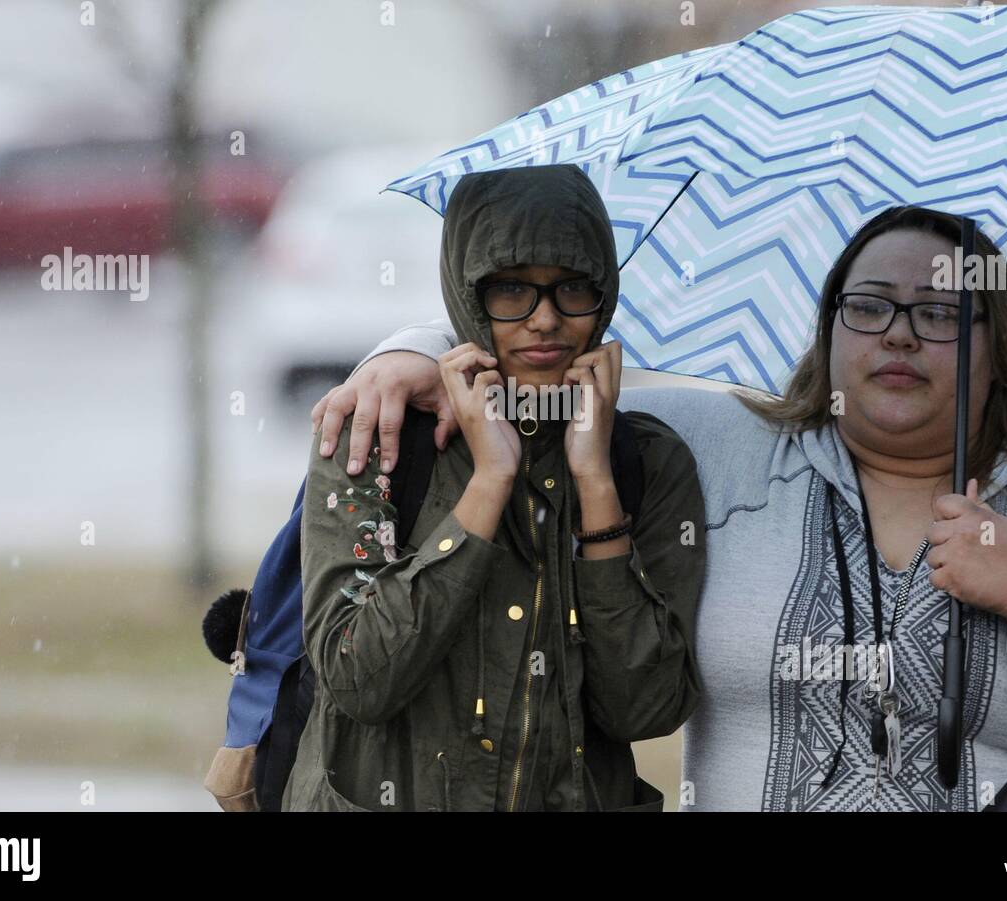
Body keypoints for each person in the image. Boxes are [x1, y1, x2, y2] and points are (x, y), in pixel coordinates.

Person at [311, 205, 1007, 811]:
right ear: (827, 329)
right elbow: (545, 380)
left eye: (942, 313)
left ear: (1002, 343)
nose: (898, 333)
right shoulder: (720, 450)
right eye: (870, 305)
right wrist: (413, 349)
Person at [282, 164, 706, 811]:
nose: (544, 319)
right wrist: (488, 485)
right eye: (511, 290)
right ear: (466, 292)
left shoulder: (645, 460)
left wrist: (595, 488)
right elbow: (359, 677)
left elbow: (644, 707)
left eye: (572, 288)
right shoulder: (378, 435)